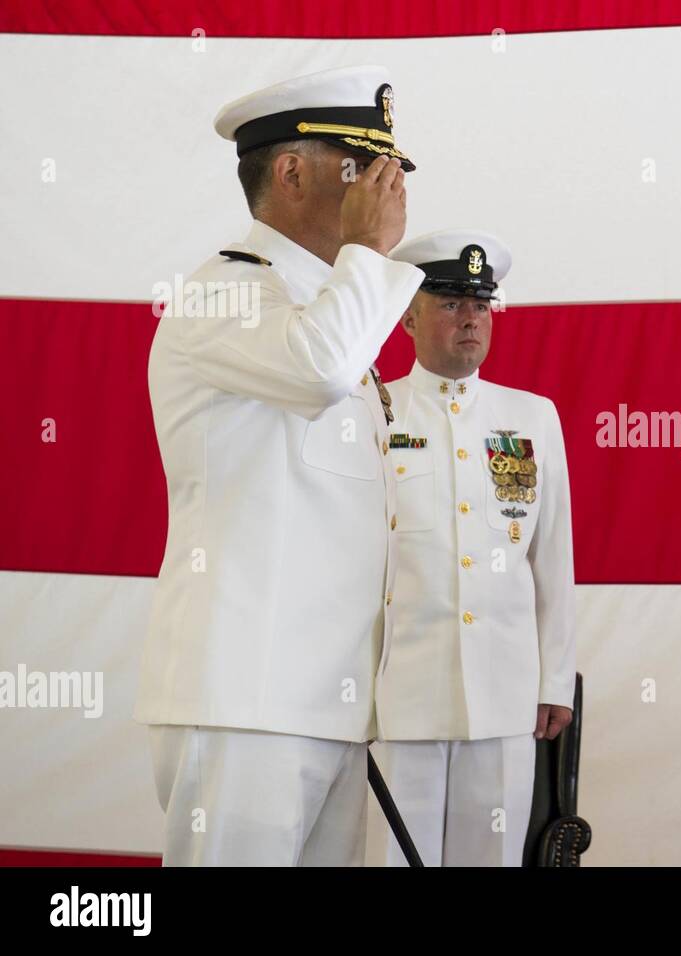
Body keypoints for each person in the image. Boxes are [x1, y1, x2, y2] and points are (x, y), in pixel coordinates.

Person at [136, 65, 424, 865]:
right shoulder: (224, 293)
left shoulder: (329, 309)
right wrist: (368, 250)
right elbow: (319, 368)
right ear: (292, 171)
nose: (388, 185)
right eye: (364, 165)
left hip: (325, 703)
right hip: (244, 698)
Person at [372, 229, 577, 866]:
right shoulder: (374, 412)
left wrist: (555, 680)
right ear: (407, 316)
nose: (471, 320)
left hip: (503, 697)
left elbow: (553, 558)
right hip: (397, 698)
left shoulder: (532, 418)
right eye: (451, 303)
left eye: (481, 305)